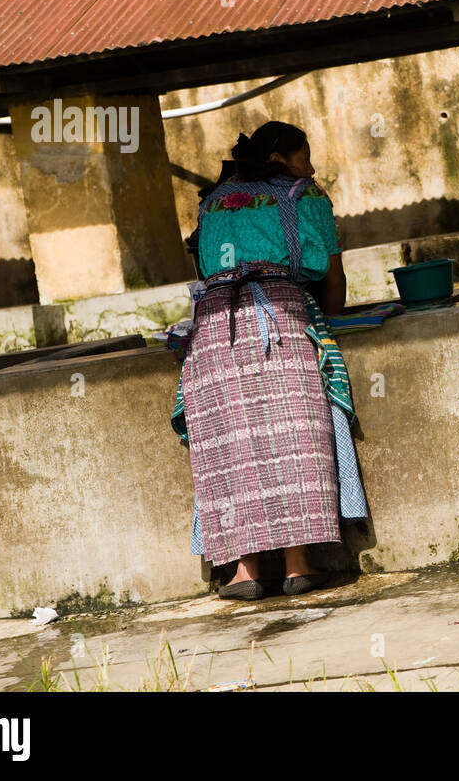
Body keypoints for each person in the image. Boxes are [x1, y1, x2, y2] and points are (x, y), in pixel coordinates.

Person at [177, 120, 350, 600]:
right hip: (280, 317)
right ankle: (298, 566)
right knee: (293, 437)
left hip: (213, 327)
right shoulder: (304, 194)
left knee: (231, 444)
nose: (311, 166)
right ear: (280, 159)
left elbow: (206, 266)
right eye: (304, 155)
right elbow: (331, 275)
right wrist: (329, 319)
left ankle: (244, 574)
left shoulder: (214, 198)